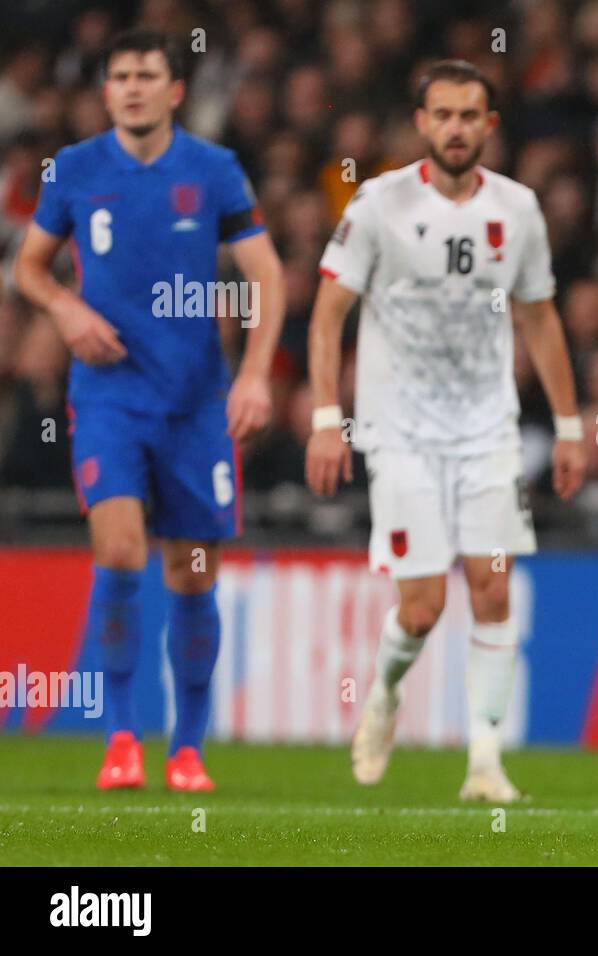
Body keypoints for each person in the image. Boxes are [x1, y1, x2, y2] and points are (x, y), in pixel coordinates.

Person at [305, 59, 586, 802]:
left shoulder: (518, 209)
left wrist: (567, 425)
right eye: (443, 115)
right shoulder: (378, 203)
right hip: (400, 433)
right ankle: (385, 694)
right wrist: (328, 419)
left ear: (488, 125)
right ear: (421, 123)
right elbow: (328, 316)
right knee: (423, 608)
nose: (456, 128)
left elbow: (539, 318)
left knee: (492, 589)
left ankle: (485, 763)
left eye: (469, 115)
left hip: (488, 432)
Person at [14, 29, 285, 791]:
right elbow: (29, 268)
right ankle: (122, 738)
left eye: (147, 75)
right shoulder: (75, 169)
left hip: (196, 406)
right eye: (121, 76)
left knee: (192, 574)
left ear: (175, 91)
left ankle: (187, 748)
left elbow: (266, 274)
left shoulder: (213, 169)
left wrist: (255, 375)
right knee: (120, 549)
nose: (133, 87)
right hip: (109, 399)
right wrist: (66, 310)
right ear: (106, 92)